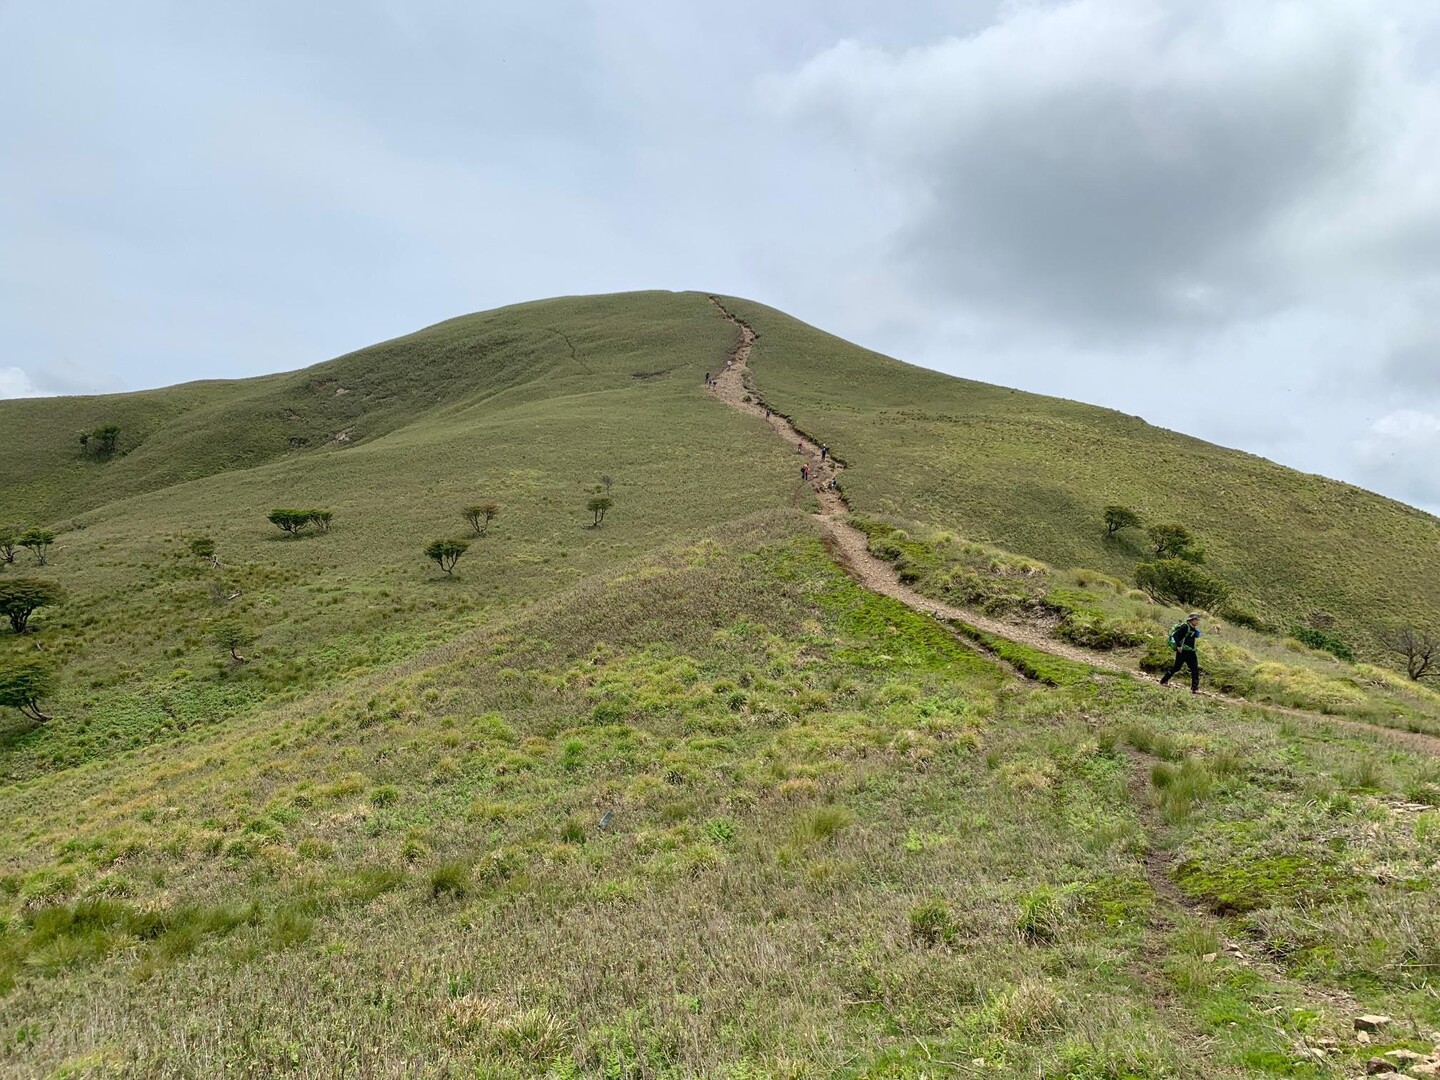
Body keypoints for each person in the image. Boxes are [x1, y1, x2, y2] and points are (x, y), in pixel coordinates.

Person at [1159, 613, 1203, 693]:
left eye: (1197, 620)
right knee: (1176, 668)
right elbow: (1175, 635)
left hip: (1191, 652)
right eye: (1196, 620)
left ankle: (1195, 688)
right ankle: (1164, 680)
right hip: (1182, 652)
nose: (1197, 621)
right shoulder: (1185, 627)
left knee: (1195, 669)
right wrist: (1179, 646)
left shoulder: (1193, 628)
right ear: (1191, 620)